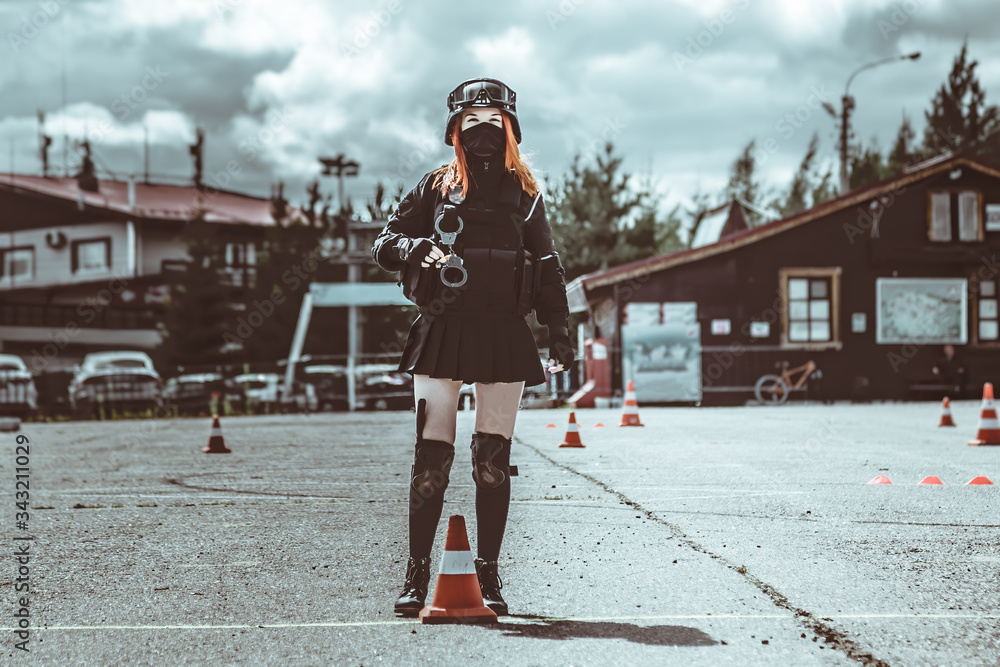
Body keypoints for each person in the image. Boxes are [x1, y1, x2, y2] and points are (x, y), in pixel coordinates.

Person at [370, 77, 573, 617]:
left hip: (506, 332)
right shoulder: (434, 186)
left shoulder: (526, 195)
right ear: (454, 130)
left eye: (493, 124)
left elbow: (549, 269)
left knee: (492, 462)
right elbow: (384, 245)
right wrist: (421, 248)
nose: (483, 134)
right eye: (472, 124)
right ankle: (415, 575)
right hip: (443, 327)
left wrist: (561, 334)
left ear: (510, 130)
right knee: (430, 462)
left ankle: (488, 574)